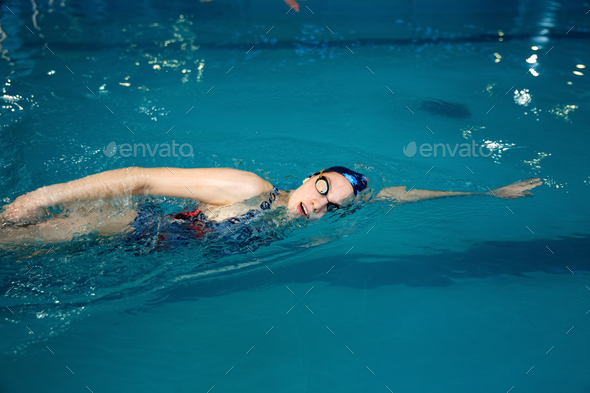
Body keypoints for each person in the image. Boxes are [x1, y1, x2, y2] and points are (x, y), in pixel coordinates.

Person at [0, 166, 542, 243]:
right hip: (123, 228)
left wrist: (486, 194)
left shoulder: (296, 222)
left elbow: (398, 195)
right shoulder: (248, 189)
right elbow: (140, 178)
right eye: (324, 188)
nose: (320, 203)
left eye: (335, 205)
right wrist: (37, 197)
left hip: (154, 253)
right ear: (310, 178)